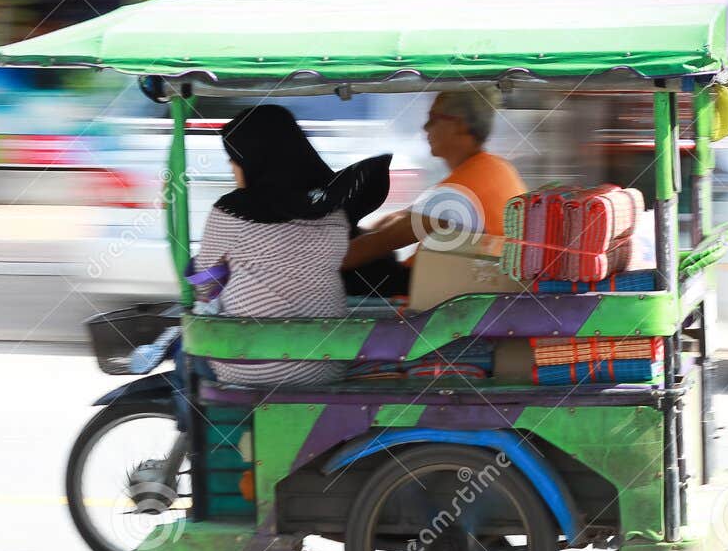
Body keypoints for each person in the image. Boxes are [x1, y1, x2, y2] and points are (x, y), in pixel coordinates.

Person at [193, 104, 388, 386]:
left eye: (235, 159)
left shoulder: (231, 211)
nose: (233, 168)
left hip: (250, 365)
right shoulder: (335, 211)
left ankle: (201, 428)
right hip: (325, 365)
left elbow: (204, 282)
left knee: (191, 356)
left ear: (255, 159)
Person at [344, 87, 525, 275]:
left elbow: (383, 241)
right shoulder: (498, 169)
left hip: (436, 293)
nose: (425, 127)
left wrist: (323, 262)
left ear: (460, 125)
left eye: (434, 118)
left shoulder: (458, 192)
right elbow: (403, 218)